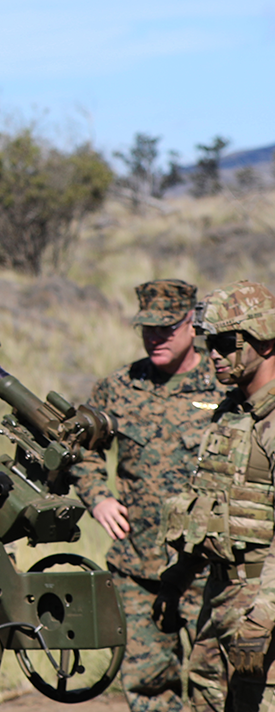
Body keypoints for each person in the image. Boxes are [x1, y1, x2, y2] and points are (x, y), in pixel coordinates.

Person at [69, 279, 220, 712]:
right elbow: (81, 446)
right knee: (147, 685)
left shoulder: (223, 383)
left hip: (207, 565)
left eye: (166, 328)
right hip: (139, 565)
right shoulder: (118, 387)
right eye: (147, 329)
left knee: (221, 680)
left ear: (191, 323)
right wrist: (97, 496)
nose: (155, 337)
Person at [158, 280, 275, 712]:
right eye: (210, 343)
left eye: (227, 343)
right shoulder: (231, 414)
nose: (213, 355)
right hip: (221, 594)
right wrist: (177, 578)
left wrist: (264, 613)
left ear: (263, 342)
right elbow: (209, 505)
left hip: (261, 604)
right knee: (205, 696)